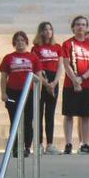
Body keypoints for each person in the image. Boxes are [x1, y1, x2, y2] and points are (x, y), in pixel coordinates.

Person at [59, 15, 89, 155]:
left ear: (86, 27)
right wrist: (75, 80)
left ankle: (85, 144)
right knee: (69, 115)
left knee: (85, 116)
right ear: (73, 27)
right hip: (70, 85)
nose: (80, 27)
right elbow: (66, 63)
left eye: (83, 24)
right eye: (77, 24)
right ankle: (68, 143)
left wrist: (82, 78)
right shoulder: (67, 44)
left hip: (87, 85)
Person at [0, 31, 38, 156]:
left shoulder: (33, 57)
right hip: (13, 92)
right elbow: (4, 76)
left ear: (26, 42)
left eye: (22, 40)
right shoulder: (8, 58)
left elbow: (39, 76)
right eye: (17, 40)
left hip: (29, 92)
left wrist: (38, 93)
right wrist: (3, 93)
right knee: (15, 120)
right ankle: (15, 147)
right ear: (14, 43)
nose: (20, 42)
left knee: (27, 121)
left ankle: (26, 147)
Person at [31, 22, 62, 154]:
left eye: (50, 29)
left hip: (54, 79)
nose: (48, 32)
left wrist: (54, 82)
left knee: (50, 114)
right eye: (45, 29)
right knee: (38, 113)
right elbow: (36, 68)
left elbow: (61, 66)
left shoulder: (57, 47)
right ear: (41, 32)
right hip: (40, 81)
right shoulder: (36, 49)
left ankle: (50, 144)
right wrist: (45, 83)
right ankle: (38, 144)